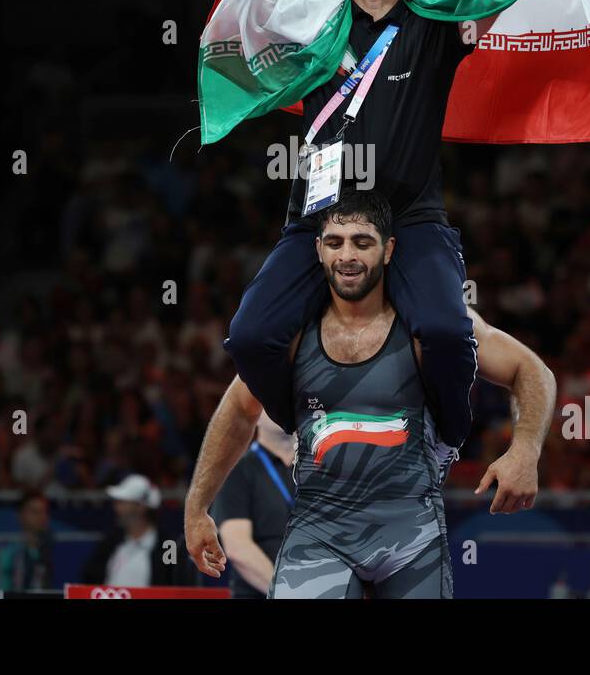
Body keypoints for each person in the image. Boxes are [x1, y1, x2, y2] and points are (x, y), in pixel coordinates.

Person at [163, 0, 565, 454]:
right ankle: (305, 421)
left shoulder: (436, 20)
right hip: (320, 216)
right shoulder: (311, 11)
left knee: (442, 331)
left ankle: (446, 438)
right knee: (250, 338)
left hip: (410, 217)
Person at [184, 190, 557, 598]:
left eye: (363, 242)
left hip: (411, 535)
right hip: (319, 531)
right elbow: (239, 410)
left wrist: (525, 451)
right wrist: (197, 505)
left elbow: (532, 370)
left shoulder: (430, 330)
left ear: (389, 249)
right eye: (335, 243)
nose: (347, 256)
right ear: (318, 250)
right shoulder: (293, 336)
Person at [210, 415, 296, 599]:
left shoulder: (321, 468)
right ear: (255, 414)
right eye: (272, 401)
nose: (281, 408)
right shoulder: (237, 470)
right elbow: (238, 547)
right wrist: (286, 593)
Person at [81, 474, 196, 587]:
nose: (116, 508)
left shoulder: (168, 545)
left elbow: (177, 585)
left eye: (123, 502)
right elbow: (89, 579)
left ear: (141, 507)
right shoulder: (110, 542)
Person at [0, 490, 55, 593]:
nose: (40, 516)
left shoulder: (56, 550)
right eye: (34, 511)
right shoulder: (8, 554)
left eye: (43, 511)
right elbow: (2, 591)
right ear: (20, 515)